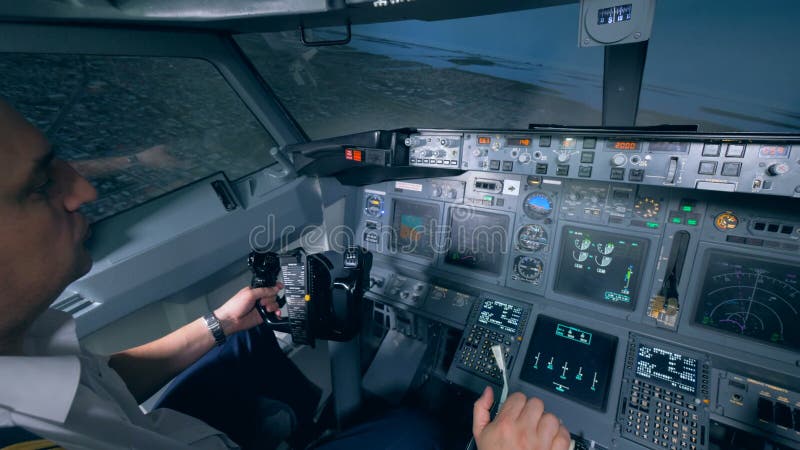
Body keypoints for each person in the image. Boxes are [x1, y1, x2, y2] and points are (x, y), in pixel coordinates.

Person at [0, 97, 570, 450]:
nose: (84, 190)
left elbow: (94, 386)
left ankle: (311, 426)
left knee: (250, 347)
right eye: (39, 186)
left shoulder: (20, 346)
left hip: (166, 432)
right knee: (417, 432)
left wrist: (218, 323)